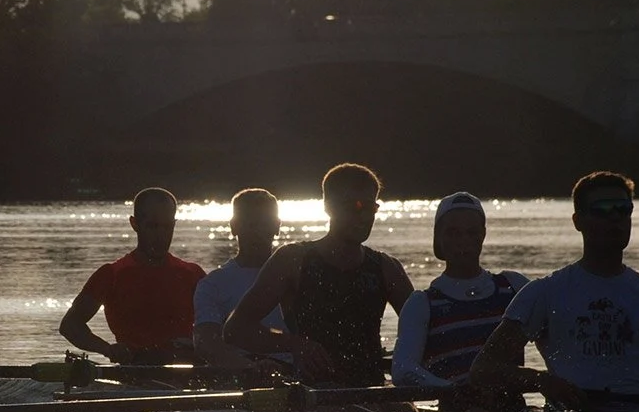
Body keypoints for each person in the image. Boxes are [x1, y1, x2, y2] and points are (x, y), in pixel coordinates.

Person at [469, 170, 639, 412]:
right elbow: (484, 369)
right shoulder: (545, 293)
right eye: (602, 209)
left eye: (623, 209)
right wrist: (541, 380)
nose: (615, 218)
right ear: (577, 221)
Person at [224, 163, 413, 385]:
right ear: (329, 207)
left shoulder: (386, 268)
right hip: (311, 398)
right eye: (355, 206)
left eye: (370, 208)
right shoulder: (292, 261)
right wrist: (296, 344)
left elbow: (426, 333)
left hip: (370, 395)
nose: (363, 217)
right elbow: (235, 330)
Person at [393, 192, 528, 412]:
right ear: (439, 238)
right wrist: (453, 390)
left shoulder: (515, 286)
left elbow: (558, 338)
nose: (463, 241)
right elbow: (402, 371)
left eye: (471, 232)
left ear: (482, 236)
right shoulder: (422, 304)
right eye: (453, 233)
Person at [60, 187, 205, 365]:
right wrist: (107, 349)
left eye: (166, 227)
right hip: (133, 371)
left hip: (186, 372)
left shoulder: (193, 274)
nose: (160, 235)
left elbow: (221, 327)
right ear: (134, 224)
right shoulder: (111, 275)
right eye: (152, 226)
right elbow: (70, 325)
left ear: (174, 225)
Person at [192, 188, 289, 372]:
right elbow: (206, 343)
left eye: (264, 224)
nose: (257, 233)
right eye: (250, 224)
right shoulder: (212, 284)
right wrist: (249, 367)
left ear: (277, 227)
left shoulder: (295, 277)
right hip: (241, 373)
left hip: (294, 372)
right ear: (234, 227)